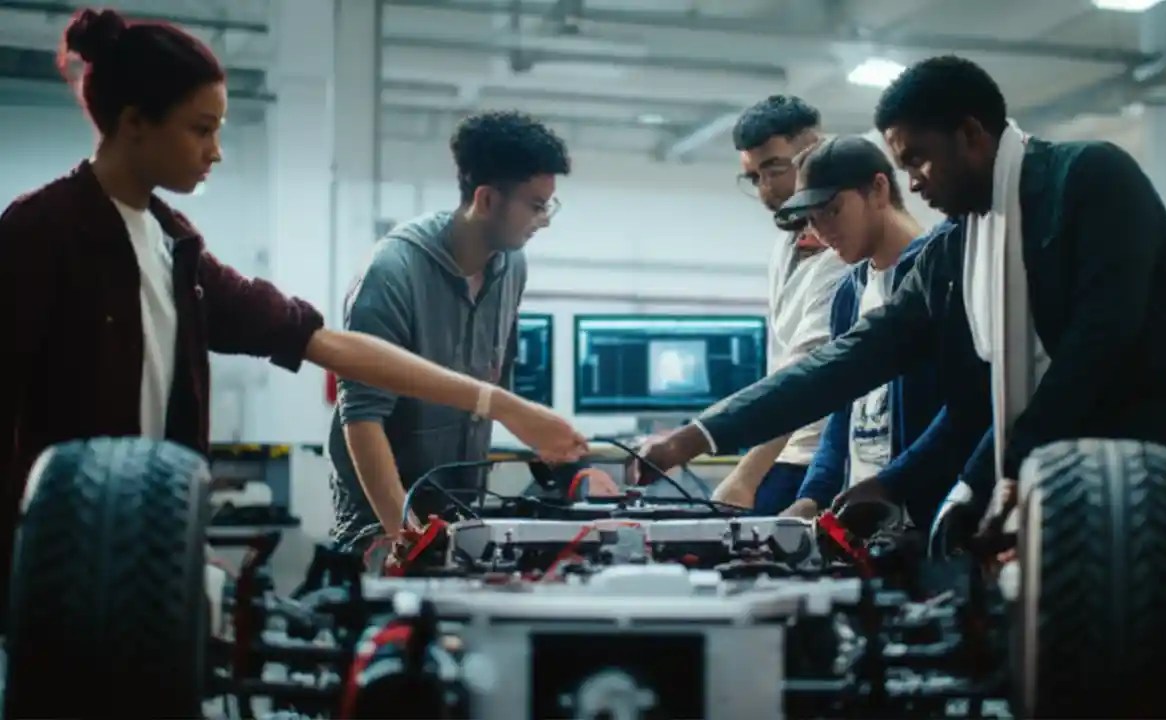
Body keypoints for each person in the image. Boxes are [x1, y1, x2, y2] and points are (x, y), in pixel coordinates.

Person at [635, 55, 1166, 715]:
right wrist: (700, 435)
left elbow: (1097, 349)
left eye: (920, 161)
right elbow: (860, 359)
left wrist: (999, 476)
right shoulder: (961, 249)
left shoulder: (1088, 179)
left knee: (1158, 672)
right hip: (1073, 486)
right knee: (1074, 678)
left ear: (972, 135)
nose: (914, 183)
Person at [0, 7, 589, 595]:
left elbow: (326, 344)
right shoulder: (40, 232)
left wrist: (502, 404)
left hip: (146, 554)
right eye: (200, 129)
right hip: (60, 565)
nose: (216, 150)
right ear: (134, 123)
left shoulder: (175, 247)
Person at [328, 111, 573, 550]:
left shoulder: (510, 264)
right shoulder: (392, 272)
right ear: (486, 200)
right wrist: (404, 534)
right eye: (536, 206)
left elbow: (499, 373)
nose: (546, 219)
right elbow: (362, 418)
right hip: (382, 523)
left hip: (459, 512)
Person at [771, 136, 988, 528]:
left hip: (930, 518)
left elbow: (967, 407)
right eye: (812, 221)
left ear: (878, 189)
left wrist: (891, 483)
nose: (822, 233)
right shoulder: (848, 294)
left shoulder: (943, 273)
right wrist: (811, 496)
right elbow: (842, 408)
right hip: (864, 525)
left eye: (831, 211)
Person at [709, 95, 846, 514]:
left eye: (774, 169)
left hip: (824, 461)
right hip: (785, 451)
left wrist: (744, 476)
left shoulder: (845, 253)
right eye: (754, 178)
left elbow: (809, 369)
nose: (767, 190)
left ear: (814, 151)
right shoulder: (785, 246)